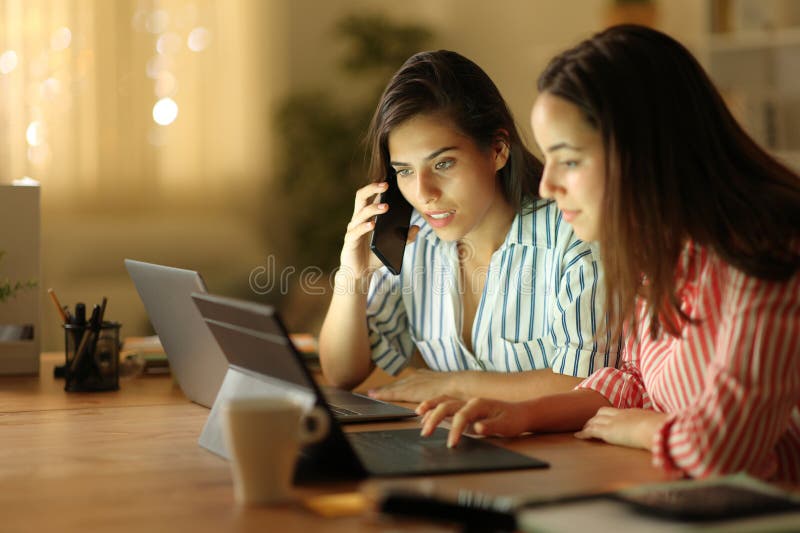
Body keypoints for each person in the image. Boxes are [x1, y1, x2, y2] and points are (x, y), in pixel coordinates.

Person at [418, 25, 800, 483]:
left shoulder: (767, 249)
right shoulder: (662, 249)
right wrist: (525, 414)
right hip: (687, 495)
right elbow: (634, 380)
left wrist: (645, 428)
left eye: (571, 160)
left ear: (642, 152)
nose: (547, 185)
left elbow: (722, 448)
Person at [318, 50, 620, 404]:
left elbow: (588, 383)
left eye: (443, 163)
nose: (424, 193)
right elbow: (341, 373)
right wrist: (352, 274)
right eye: (405, 171)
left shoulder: (572, 235)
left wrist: (455, 384)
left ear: (498, 150)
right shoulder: (413, 239)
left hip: (563, 456)